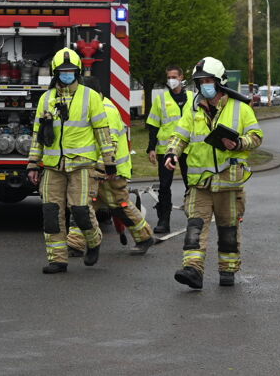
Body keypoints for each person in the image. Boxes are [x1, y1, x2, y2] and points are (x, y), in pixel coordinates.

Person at [163, 57, 263, 289]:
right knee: (195, 226)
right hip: (200, 182)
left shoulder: (241, 109)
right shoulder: (193, 109)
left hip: (229, 182)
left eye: (208, 81)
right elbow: (180, 136)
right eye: (200, 82)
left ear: (219, 83)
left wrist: (238, 143)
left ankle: (227, 271)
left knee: (228, 229)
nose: (203, 85)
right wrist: (171, 153)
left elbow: (257, 137)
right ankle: (193, 270)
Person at [27, 48, 116, 274]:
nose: (67, 74)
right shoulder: (46, 99)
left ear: (77, 72)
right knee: (50, 213)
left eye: (71, 71)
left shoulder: (91, 97)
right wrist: (32, 163)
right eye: (63, 71)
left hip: (81, 164)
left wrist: (109, 162)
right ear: (56, 73)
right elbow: (38, 134)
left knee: (80, 210)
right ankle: (58, 259)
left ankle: (94, 241)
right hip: (53, 166)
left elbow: (102, 132)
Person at [67, 98, 154, 255]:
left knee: (119, 206)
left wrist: (103, 170)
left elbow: (110, 144)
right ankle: (75, 244)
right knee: (82, 207)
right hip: (96, 170)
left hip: (111, 172)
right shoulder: (94, 108)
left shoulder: (106, 111)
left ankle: (144, 238)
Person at [145, 65, 193, 234]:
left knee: (191, 184)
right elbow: (153, 125)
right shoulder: (161, 99)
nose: (171, 80)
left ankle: (194, 218)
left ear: (181, 77)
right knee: (164, 186)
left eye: (174, 76)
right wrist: (151, 148)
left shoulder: (193, 98)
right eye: (169, 77)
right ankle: (163, 220)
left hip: (188, 148)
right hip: (165, 150)